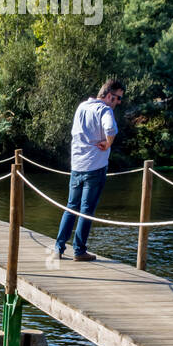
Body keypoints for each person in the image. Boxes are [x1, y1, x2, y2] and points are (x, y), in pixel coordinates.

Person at [53, 80, 124, 262]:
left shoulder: (82, 107)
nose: (119, 102)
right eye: (117, 98)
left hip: (77, 165)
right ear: (108, 96)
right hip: (95, 167)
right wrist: (108, 142)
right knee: (86, 210)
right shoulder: (104, 110)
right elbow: (110, 128)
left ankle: (58, 248)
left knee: (71, 207)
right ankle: (79, 251)